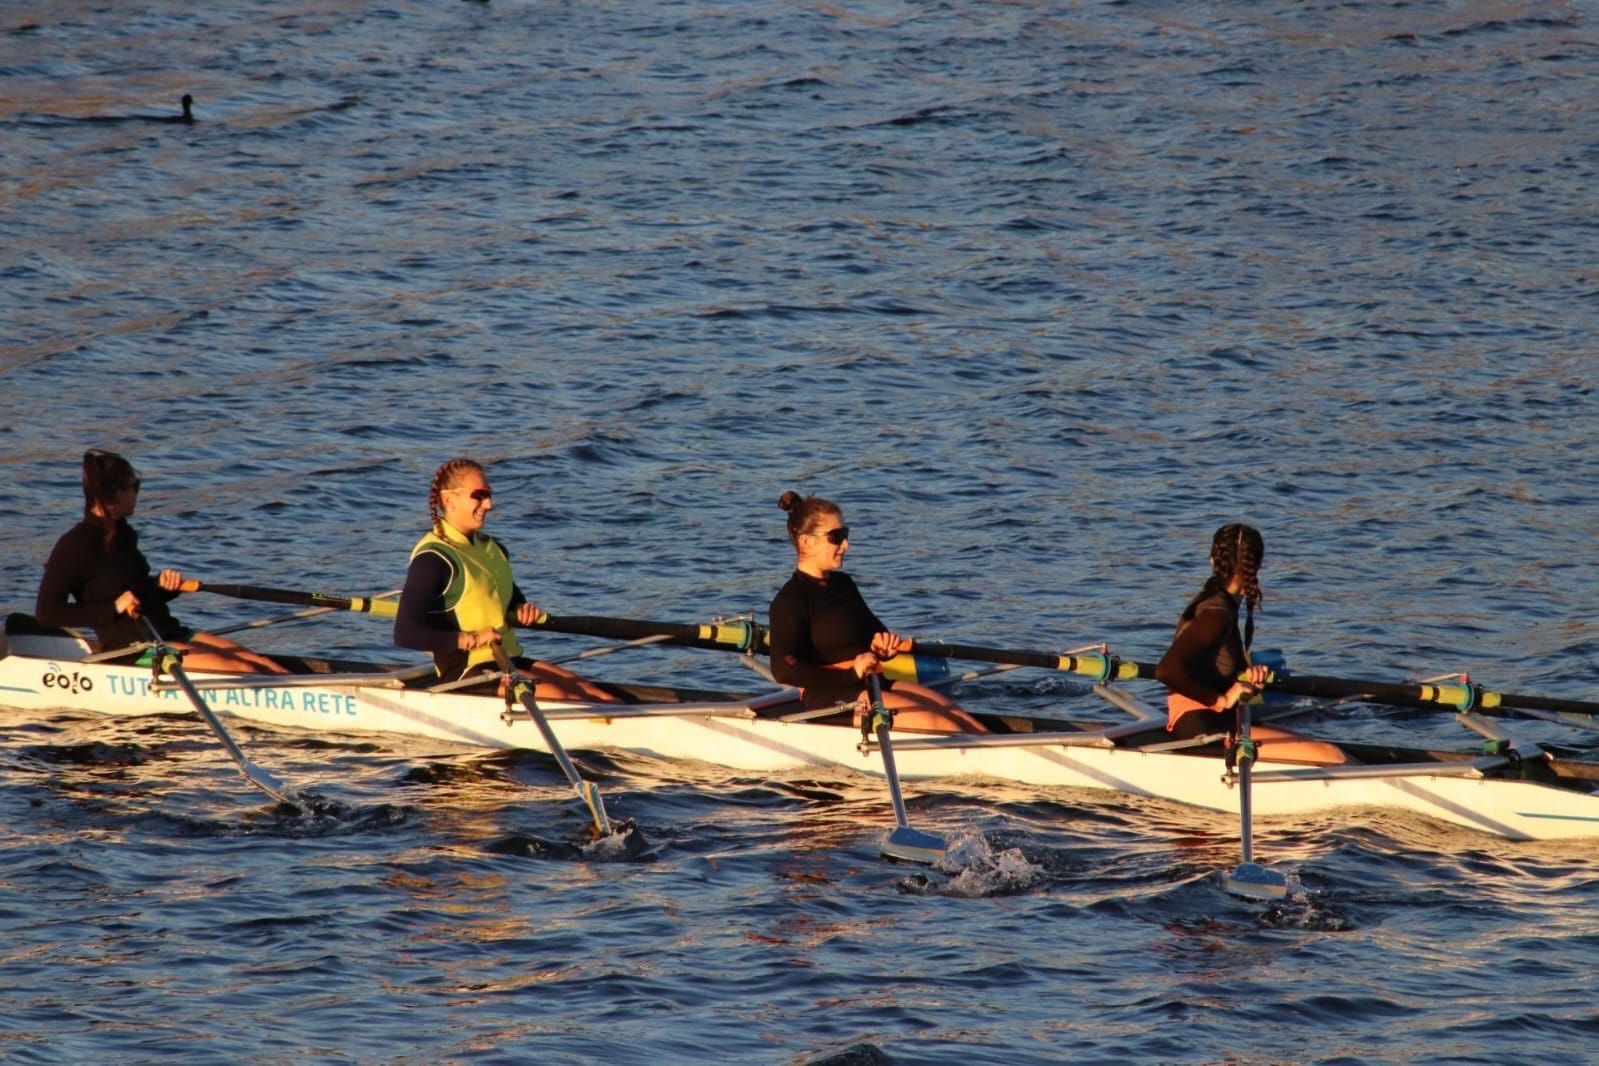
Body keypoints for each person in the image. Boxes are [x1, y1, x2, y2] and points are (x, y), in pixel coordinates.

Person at [35, 449, 286, 673]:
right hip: (134, 650)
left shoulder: (123, 534)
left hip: (167, 631)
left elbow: (139, 593)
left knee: (260, 662)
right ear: (119, 493)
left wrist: (163, 589)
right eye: (136, 486)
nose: (138, 493)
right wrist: (112, 609)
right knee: (241, 669)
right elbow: (48, 613)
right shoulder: (74, 545)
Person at [393, 457, 615, 702]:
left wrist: (521, 609)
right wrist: (473, 639)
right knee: (567, 698)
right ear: (449, 500)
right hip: (466, 670)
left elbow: (511, 599)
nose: (489, 504)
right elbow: (406, 632)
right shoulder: (433, 559)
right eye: (479, 495)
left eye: (489, 495)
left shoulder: (493, 548)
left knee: (596, 694)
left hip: (506, 658)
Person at [766, 490, 987, 734]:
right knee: (940, 724)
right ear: (807, 541)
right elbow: (783, 670)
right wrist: (852, 672)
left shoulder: (843, 584)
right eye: (836, 537)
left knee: (955, 714)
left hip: (870, 682)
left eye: (846, 535)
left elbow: (875, 633)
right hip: (830, 698)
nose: (846, 545)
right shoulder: (790, 601)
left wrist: (884, 648)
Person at [1154, 523, 1342, 763]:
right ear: (1257, 566)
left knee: (1324, 748)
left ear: (1213, 561)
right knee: (1331, 755)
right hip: (1201, 728)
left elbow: (1207, 669)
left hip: (1218, 721)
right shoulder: (1217, 614)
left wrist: (1244, 678)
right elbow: (1167, 670)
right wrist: (1222, 700)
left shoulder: (1218, 606)